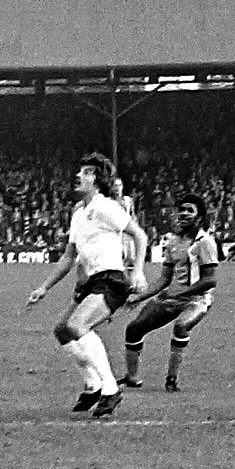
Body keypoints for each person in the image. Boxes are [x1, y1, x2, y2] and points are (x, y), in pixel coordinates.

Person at [25, 153, 147, 417]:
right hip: (91, 282)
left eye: (88, 172)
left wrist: (137, 272)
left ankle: (110, 389)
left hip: (111, 280)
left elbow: (140, 235)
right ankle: (93, 385)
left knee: (77, 326)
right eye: (80, 171)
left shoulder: (105, 207)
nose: (79, 176)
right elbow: (69, 257)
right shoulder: (79, 213)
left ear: (99, 180)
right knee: (62, 331)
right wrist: (44, 288)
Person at [120, 195, 220, 391]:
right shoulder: (173, 242)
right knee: (134, 328)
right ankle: (132, 378)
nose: (183, 213)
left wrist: (180, 292)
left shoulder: (204, 242)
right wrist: (139, 297)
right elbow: (164, 279)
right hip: (172, 297)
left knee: (181, 326)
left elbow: (210, 280)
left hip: (197, 300)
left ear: (199, 217)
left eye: (190, 210)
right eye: (181, 209)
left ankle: (171, 380)